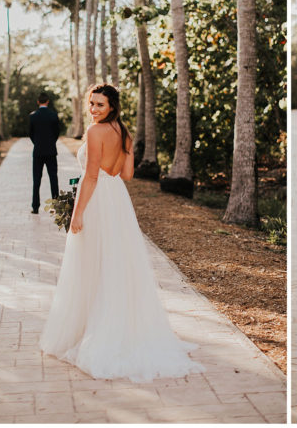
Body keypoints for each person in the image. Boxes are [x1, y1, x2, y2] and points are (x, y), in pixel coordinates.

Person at [41, 83, 199, 381]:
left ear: (111, 106)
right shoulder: (123, 133)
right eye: (91, 103)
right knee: (116, 261)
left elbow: (90, 176)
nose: (93, 109)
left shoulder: (94, 132)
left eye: (100, 105)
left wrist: (77, 213)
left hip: (98, 199)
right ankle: (117, 325)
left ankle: (98, 331)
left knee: (92, 262)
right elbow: (126, 174)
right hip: (118, 199)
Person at [29, 92, 60, 215]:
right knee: (53, 178)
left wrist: (37, 143)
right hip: (51, 151)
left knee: (36, 180)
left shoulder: (33, 116)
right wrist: (51, 142)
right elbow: (57, 132)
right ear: (47, 101)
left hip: (38, 152)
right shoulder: (53, 115)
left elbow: (31, 134)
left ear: (38, 101)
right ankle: (57, 206)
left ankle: (35, 207)